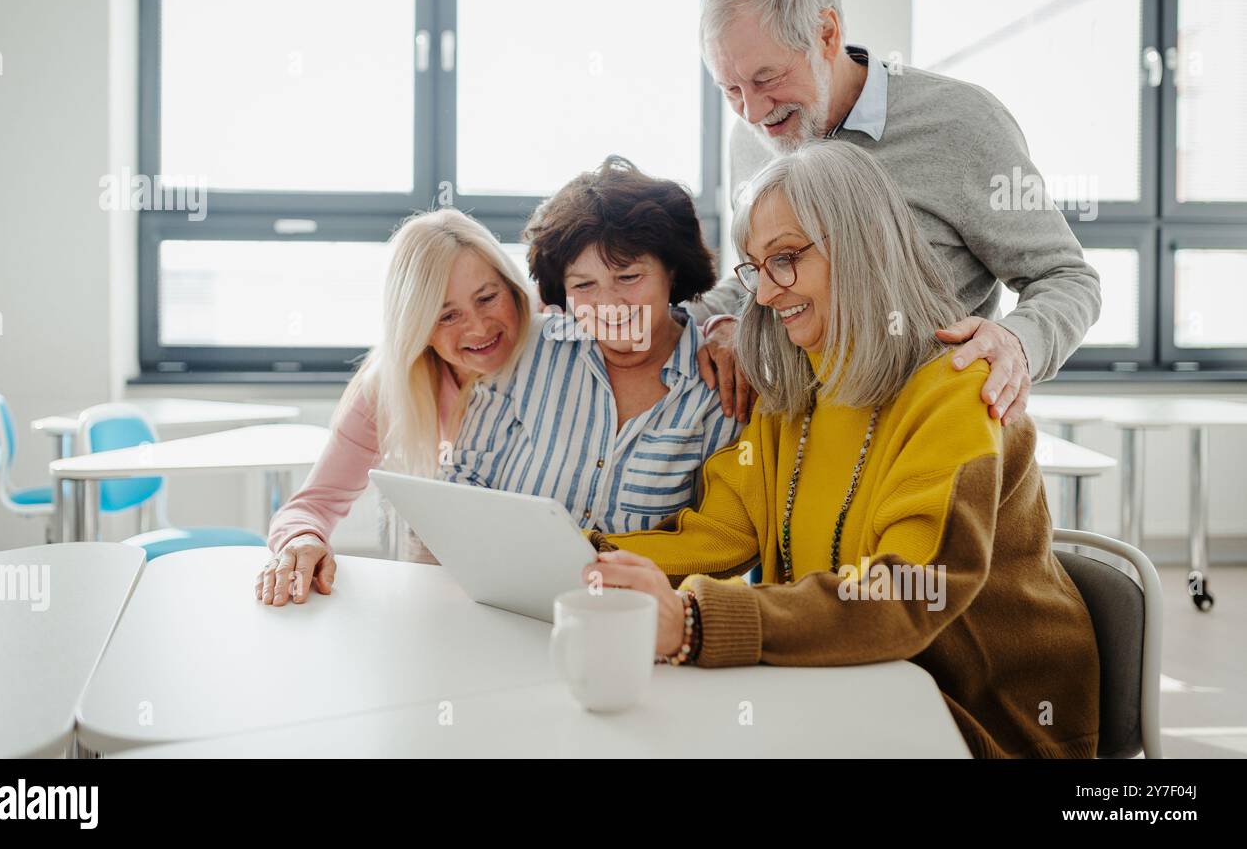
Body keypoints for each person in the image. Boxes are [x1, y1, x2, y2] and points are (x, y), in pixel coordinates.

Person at [587, 141, 1100, 759]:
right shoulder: (793, 392)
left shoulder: (959, 392)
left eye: (786, 260)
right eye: (756, 268)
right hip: (841, 691)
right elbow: (719, 532)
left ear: (864, 248)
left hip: (971, 720)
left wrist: (696, 623)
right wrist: (587, 557)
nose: (769, 295)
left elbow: (906, 594)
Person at [684, 0, 1102, 427]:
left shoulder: (960, 124)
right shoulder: (751, 138)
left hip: (928, 436)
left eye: (768, 78)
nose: (755, 112)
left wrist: (1018, 342)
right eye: (731, 91)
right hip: (802, 449)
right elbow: (761, 277)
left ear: (826, 34)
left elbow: (1067, 278)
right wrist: (709, 321)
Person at [444, 156, 743, 533]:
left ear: (673, 269)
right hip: (506, 588)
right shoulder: (531, 350)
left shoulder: (716, 384)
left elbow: (716, 537)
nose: (610, 304)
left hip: (642, 594)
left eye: (629, 276)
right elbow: (462, 478)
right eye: (584, 285)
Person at [254, 208, 534, 606]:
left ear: (512, 287)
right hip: (440, 600)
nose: (478, 327)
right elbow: (312, 504)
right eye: (448, 315)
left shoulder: (556, 349)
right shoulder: (390, 388)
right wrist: (301, 540)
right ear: (417, 327)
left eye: (488, 298)